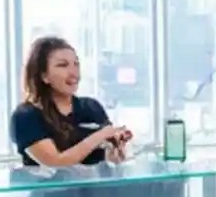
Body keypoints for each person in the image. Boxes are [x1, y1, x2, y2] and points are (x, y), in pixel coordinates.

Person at [10, 36, 132, 167]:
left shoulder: (91, 107)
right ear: (44, 76)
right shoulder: (26, 116)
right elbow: (56, 162)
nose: (74, 73)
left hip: (95, 181)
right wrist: (100, 135)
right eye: (63, 65)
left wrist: (115, 150)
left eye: (76, 64)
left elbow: (105, 156)